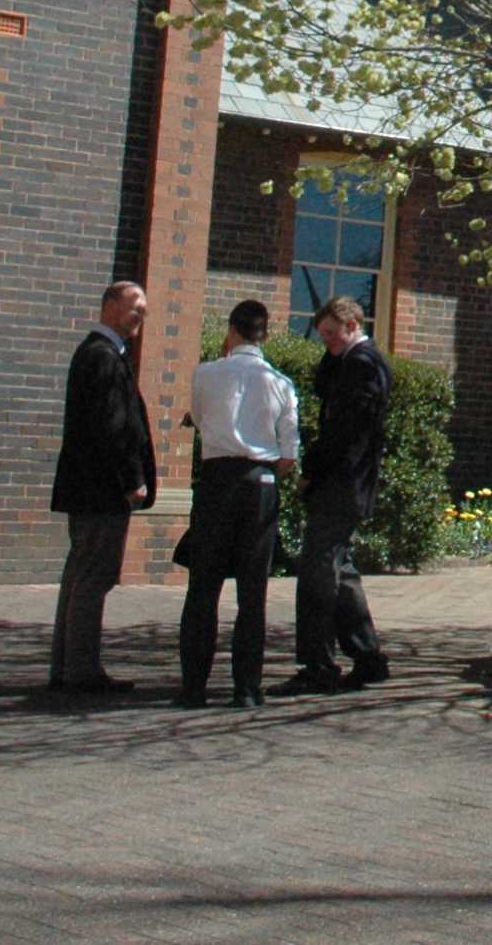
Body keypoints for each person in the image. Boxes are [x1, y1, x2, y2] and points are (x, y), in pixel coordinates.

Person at [176, 298, 298, 709]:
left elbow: (198, 418)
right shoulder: (281, 383)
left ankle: (193, 687)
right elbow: (288, 454)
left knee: (202, 588)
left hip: (216, 481)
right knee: (253, 592)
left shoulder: (207, 373)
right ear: (265, 334)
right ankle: (247, 688)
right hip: (259, 483)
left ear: (231, 331)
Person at [48, 279, 156, 695]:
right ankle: (81, 671)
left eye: (144, 311)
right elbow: (115, 428)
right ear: (109, 306)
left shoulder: (94, 354)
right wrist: (132, 480)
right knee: (94, 576)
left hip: (86, 487)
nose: (140, 317)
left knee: (79, 574)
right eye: (134, 308)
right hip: (102, 490)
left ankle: (66, 665)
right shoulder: (104, 357)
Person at [284, 294, 394, 695]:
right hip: (347, 483)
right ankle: (367, 658)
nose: (326, 341)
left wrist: (311, 471)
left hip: (341, 483)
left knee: (317, 572)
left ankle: (318, 664)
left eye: (332, 334)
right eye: (323, 335)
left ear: (351, 326)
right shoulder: (354, 363)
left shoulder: (361, 365)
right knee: (340, 570)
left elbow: (343, 432)